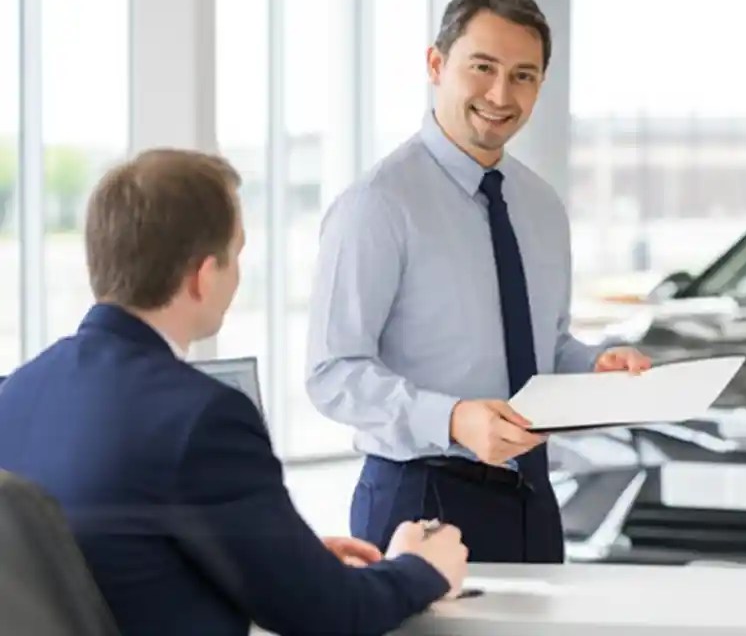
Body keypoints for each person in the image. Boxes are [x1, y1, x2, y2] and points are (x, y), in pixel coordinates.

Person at [0, 149, 468, 636]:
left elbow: (117, 560)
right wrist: (420, 568)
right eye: (236, 255)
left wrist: (285, 558)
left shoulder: (15, 394)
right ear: (203, 276)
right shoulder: (201, 417)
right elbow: (329, 614)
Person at [306, 0, 651, 564]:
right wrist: (453, 419)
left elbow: (546, 344)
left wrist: (594, 366)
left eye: (523, 75)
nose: (500, 93)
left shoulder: (540, 206)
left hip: (533, 499)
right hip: (421, 498)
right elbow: (333, 371)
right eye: (483, 67)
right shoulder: (379, 204)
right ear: (436, 64)